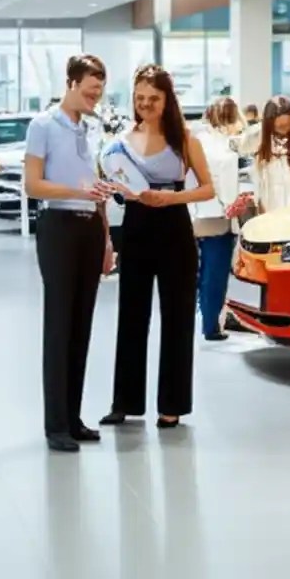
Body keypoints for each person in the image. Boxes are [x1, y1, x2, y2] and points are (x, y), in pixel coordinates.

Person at [99, 65, 214, 430]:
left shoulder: (185, 139)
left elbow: (208, 189)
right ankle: (125, 402)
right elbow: (112, 181)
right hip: (134, 226)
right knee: (131, 314)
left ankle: (173, 404)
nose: (146, 104)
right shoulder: (121, 141)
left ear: (167, 100)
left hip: (173, 227)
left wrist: (172, 197)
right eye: (140, 98)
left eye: (153, 98)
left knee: (177, 317)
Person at [23, 54, 118, 453]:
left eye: (100, 91)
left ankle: (73, 417)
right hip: (58, 228)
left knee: (81, 326)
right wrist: (80, 192)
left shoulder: (92, 129)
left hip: (89, 229)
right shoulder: (42, 125)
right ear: (71, 84)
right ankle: (55, 424)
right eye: (91, 90)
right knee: (60, 325)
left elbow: (96, 187)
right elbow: (33, 185)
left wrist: (107, 238)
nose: (96, 97)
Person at [192, 97, 245, 342]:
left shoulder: (196, 141)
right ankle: (211, 325)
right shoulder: (225, 151)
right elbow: (228, 192)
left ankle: (198, 318)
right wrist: (237, 205)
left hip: (194, 214)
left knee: (199, 273)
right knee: (215, 274)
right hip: (218, 217)